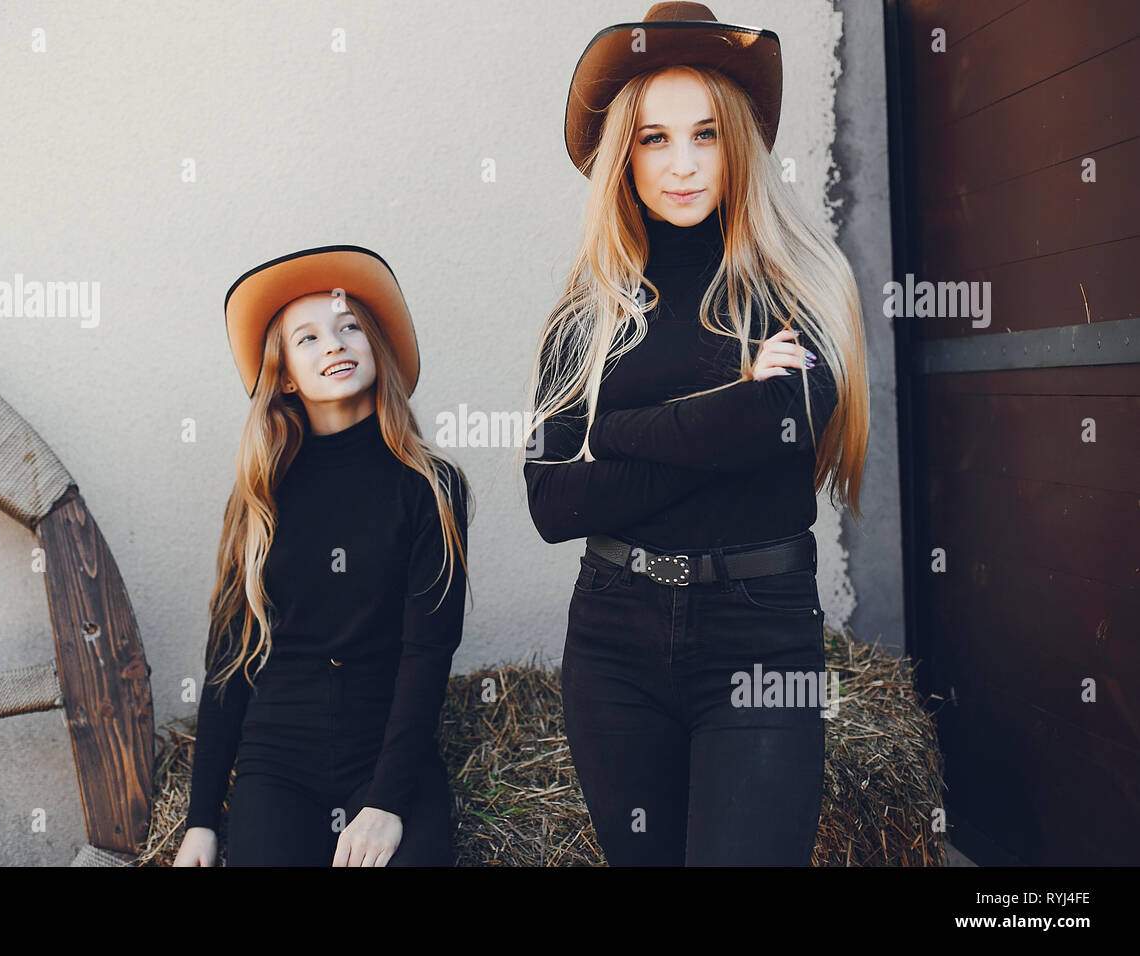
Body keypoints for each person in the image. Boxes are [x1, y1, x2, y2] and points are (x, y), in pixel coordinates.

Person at [521, 2, 870, 865]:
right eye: (653, 139)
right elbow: (553, 500)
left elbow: (785, 424)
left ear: (739, 143)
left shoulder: (803, 287)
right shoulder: (589, 312)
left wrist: (620, 428)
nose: (681, 165)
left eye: (705, 135)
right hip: (612, 635)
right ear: (623, 157)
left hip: (760, 630)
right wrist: (729, 410)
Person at [174, 245, 472, 866]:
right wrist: (202, 820)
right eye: (306, 338)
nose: (333, 344)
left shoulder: (431, 488)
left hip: (383, 760)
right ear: (284, 374)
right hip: (277, 763)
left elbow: (427, 652)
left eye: (349, 327)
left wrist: (387, 803)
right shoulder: (259, 494)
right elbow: (228, 661)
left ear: (375, 346)